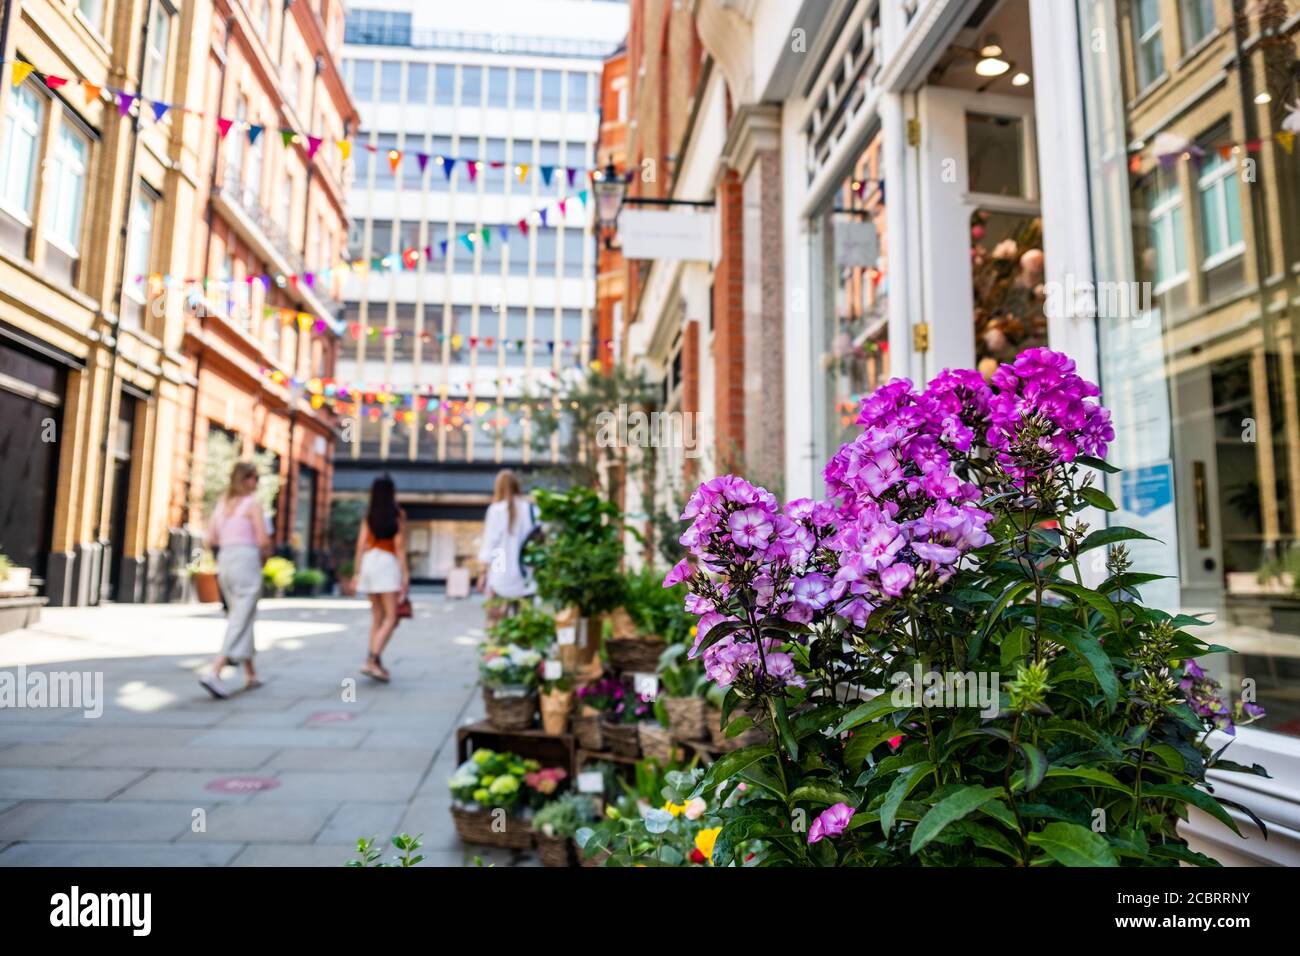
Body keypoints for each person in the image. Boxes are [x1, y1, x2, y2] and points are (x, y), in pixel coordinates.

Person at [201, 461, 270, 699]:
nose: (257, 482)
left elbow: (211, 537)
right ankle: (215, 671)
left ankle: (251, 674)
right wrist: (265, 557)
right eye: (254, 477)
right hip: (246, 558)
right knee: (240, 618)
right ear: (245, 479)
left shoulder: (222, 504)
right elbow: (262, 539)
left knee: (240, 614)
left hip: (225, 561)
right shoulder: (252, 504)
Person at [354, 474, 409, 682]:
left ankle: (376, 663)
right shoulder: (397, 514)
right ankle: (371, 659)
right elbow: (400, 547)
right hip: (387, 563)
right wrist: (405, 574)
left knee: (378, 617)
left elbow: (360, 545)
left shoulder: (370, 515)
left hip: (369, 562)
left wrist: (357, 573)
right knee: (392, 617)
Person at [477, 470, 537, 620]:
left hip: (501, 573)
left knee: (497, 626)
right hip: (526, 575)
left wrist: (484, 573)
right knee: (524, 627)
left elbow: (492, 545)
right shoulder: (532, 510)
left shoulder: (496, 510)